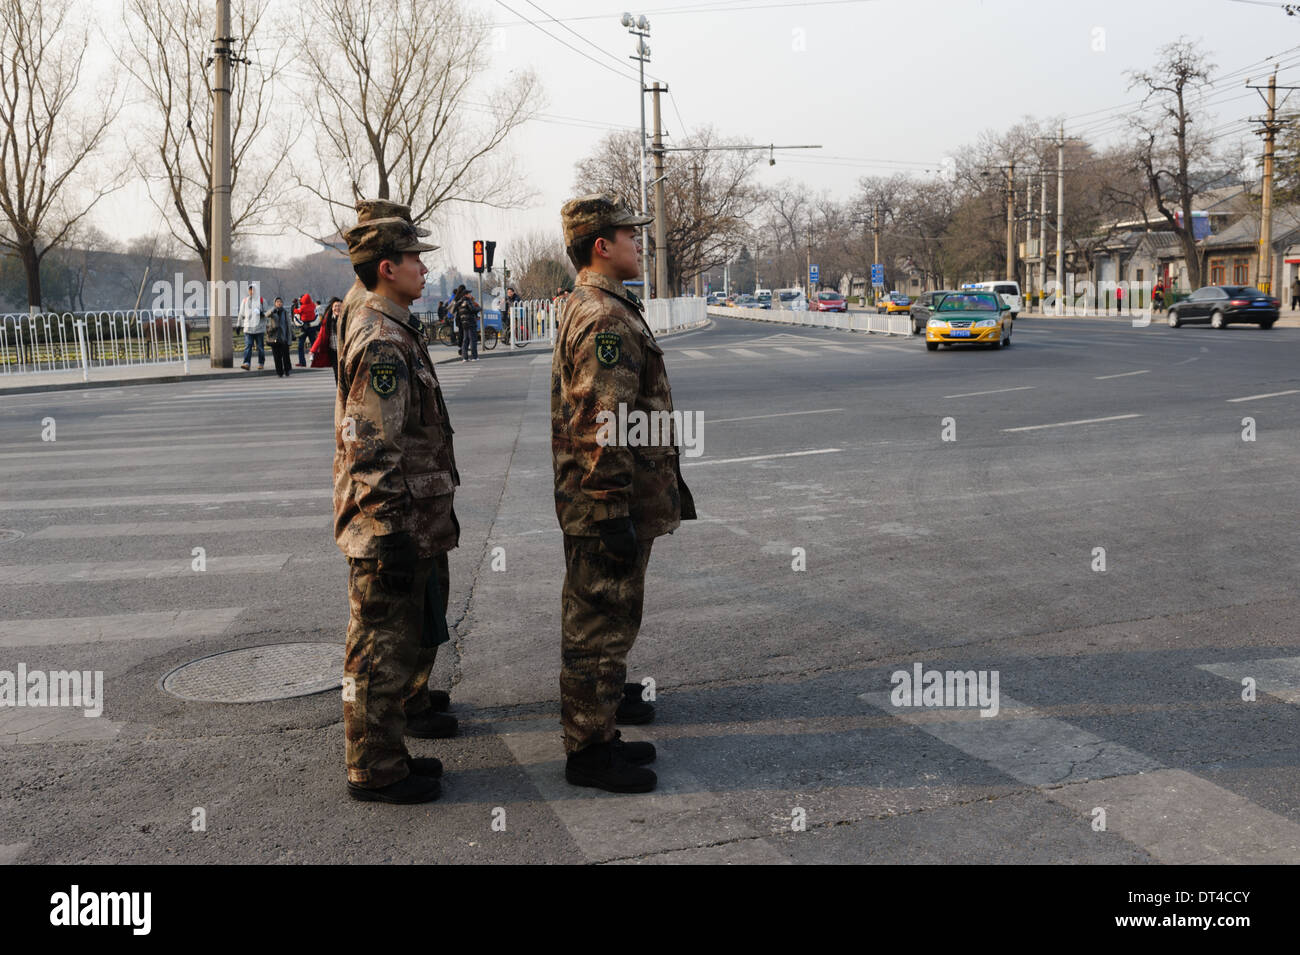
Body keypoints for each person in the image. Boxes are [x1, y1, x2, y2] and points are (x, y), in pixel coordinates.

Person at [551, 193, 697, 793]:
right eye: (628, 236)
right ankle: (588, 754)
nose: (641, 244)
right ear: (601, 246)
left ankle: (600, 733)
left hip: (612, 498)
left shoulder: (600, 305)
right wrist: (611, 507)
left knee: (603, 623)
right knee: (599, 627)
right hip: (608, 503)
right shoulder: (604, 318)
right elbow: (602, 420)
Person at [334, 216, 460, 805]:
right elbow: (371, 443)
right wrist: (390, 532)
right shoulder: (382, 339)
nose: (425, 267)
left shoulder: (392, 328)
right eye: (415, 259)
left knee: (393, 644)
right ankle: (374, 768)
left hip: (405, 517)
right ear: (388, 268)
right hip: (390, 524)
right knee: (378, 650)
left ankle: (387, 754)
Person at [312, 297, 341, 377]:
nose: (337, 308)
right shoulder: (328, 321)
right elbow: (321, 336)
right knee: (337, 373)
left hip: (344, 351)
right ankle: (339, 389)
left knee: (345, 373)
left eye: (339, 306)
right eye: (335, 306)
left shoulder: (346, 320)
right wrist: (313, 349)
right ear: (332, 308)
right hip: (333, 351)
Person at [238, 285, 266, 370]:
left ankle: (261, 363)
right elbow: (241, 314)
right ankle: (246, 363)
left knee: (260, 347)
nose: (252, 291)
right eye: (250, 290)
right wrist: (238, 325)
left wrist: (262, 313)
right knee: (248, 346)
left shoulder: (262, 300)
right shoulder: (245, 301)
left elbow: (266, 313)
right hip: (248, 328)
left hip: (259, 329)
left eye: (253, 290)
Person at [266, 296, 292, 377]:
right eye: (277, 302)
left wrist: (290, 337)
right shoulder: (272, 312)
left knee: (286, 356)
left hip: (284, 337)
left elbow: (288, 325)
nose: (279, 303)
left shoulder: (285, 312)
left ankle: (287, 370)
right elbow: (266, 315)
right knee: (277, 357)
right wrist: (272, 311)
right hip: (275, 338)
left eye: (280, 302)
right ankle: (279, 372)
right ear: (275, 303)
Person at [456, 285, 480, 362]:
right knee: (473, 340)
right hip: (471, 322)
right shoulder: (468, 301)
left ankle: (465, 357)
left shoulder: (459, 302)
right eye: (469, 293)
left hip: (464, 323)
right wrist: (479, 308)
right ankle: (474, 357)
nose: (470, 295)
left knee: (465, 340)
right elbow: (472, 309)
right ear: (466, 295)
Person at [297, 293, 318, 367]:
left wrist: (304, 324)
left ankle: (304, 362)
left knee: (302, 346)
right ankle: (304, 362)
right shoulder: (312, 306)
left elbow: (296, 318)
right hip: (309, 327)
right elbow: (317, 317)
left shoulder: (301, 308)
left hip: (304, 328)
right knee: (311, 344)